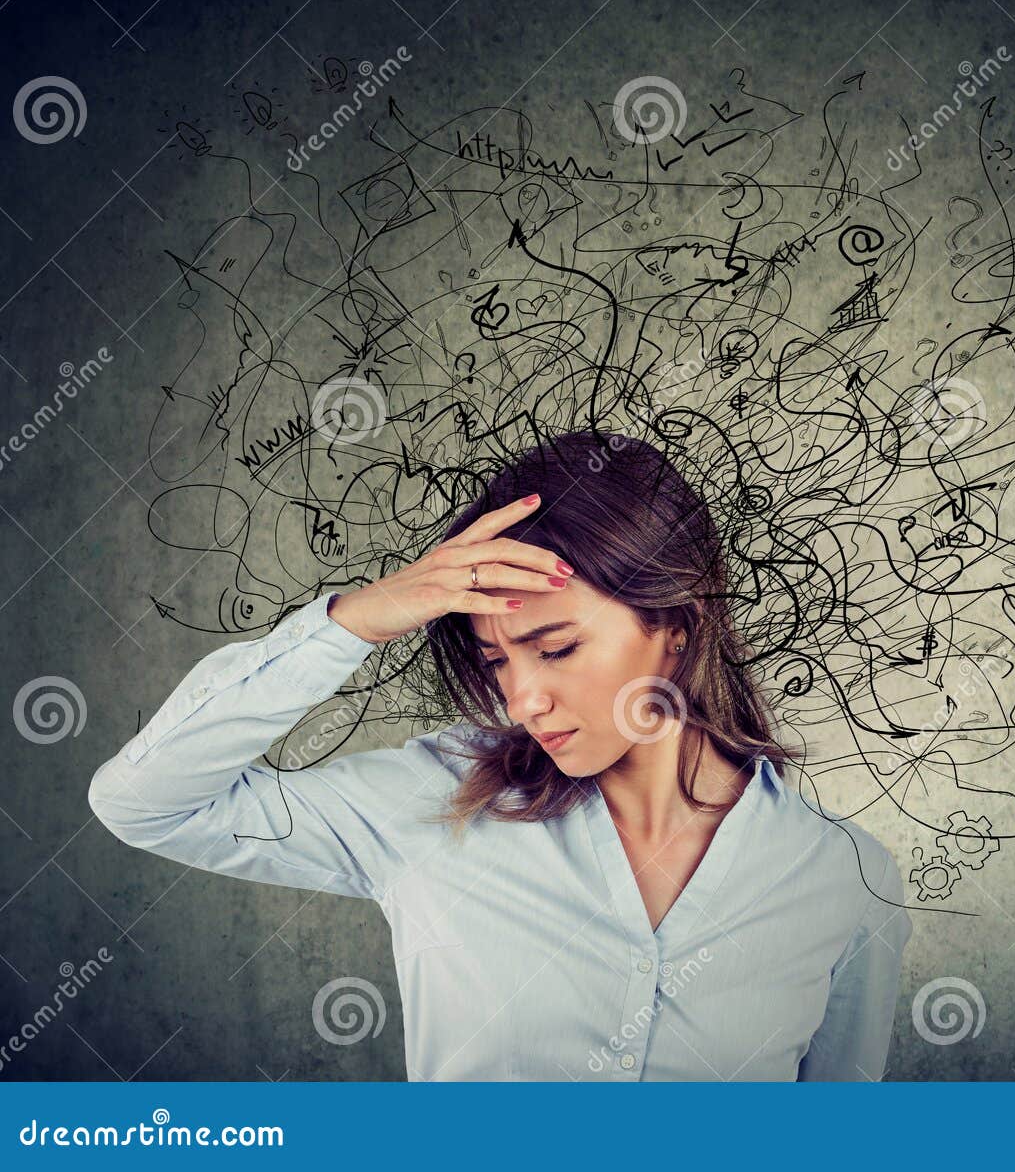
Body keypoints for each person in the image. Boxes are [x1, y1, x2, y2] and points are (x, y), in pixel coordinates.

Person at [88, 430, 912, 1081]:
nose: (523, 701)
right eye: (497, 663)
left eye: (554, 648)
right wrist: (357, 618)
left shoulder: (844, 880)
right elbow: (144, 800)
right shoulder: (431, 802)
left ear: (678, 628)